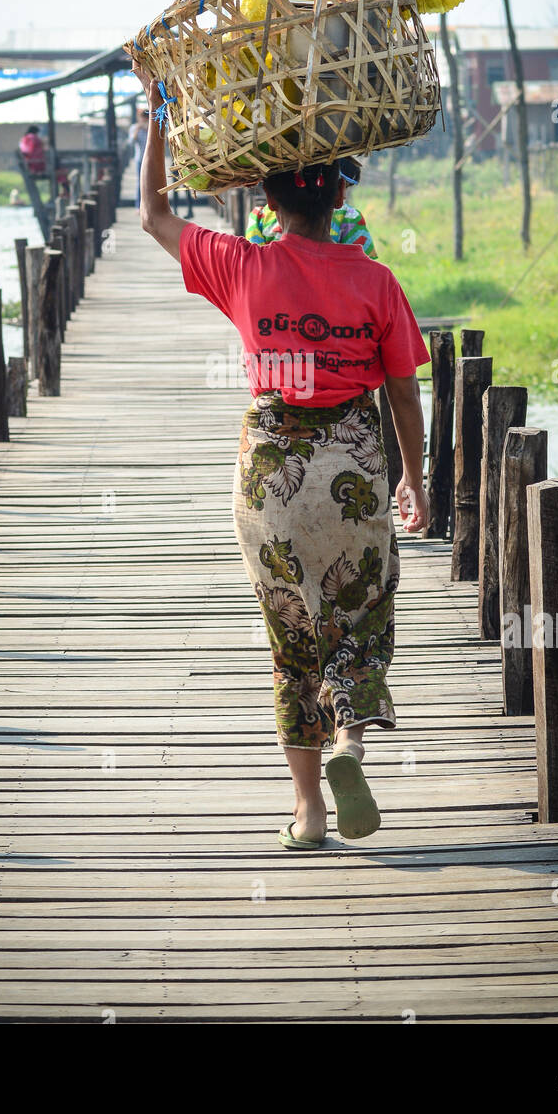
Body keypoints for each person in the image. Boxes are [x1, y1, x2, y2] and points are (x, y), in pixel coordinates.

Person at [133, 61, 430, 850]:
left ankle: (307, 814)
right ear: (340, 197)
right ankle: (351, 741)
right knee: (360, 618)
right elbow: (403, 394)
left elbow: (152, 213)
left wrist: (159, 114)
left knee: (290, 636)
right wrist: (415, 481)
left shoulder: (242, 265)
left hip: (268, 469)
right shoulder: (376, 280)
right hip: (352, 465)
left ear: (267, 201)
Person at [245, 157, 377, 257]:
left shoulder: (259, 218)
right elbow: (364, 269)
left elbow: (254, 267)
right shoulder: (351, 219)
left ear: (270, 196)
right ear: (340, 190)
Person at [127, 107, 149, 210]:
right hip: (140, 159)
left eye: (146, 116)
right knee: (140, 183)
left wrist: (148, 129)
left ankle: (150, 207)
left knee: (152, 183)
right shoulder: (134, 127)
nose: (144, 119)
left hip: (151, 160)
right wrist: (138, 129)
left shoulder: (151, 128)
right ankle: (138, 206)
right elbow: (131, 142)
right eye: (142, 116)